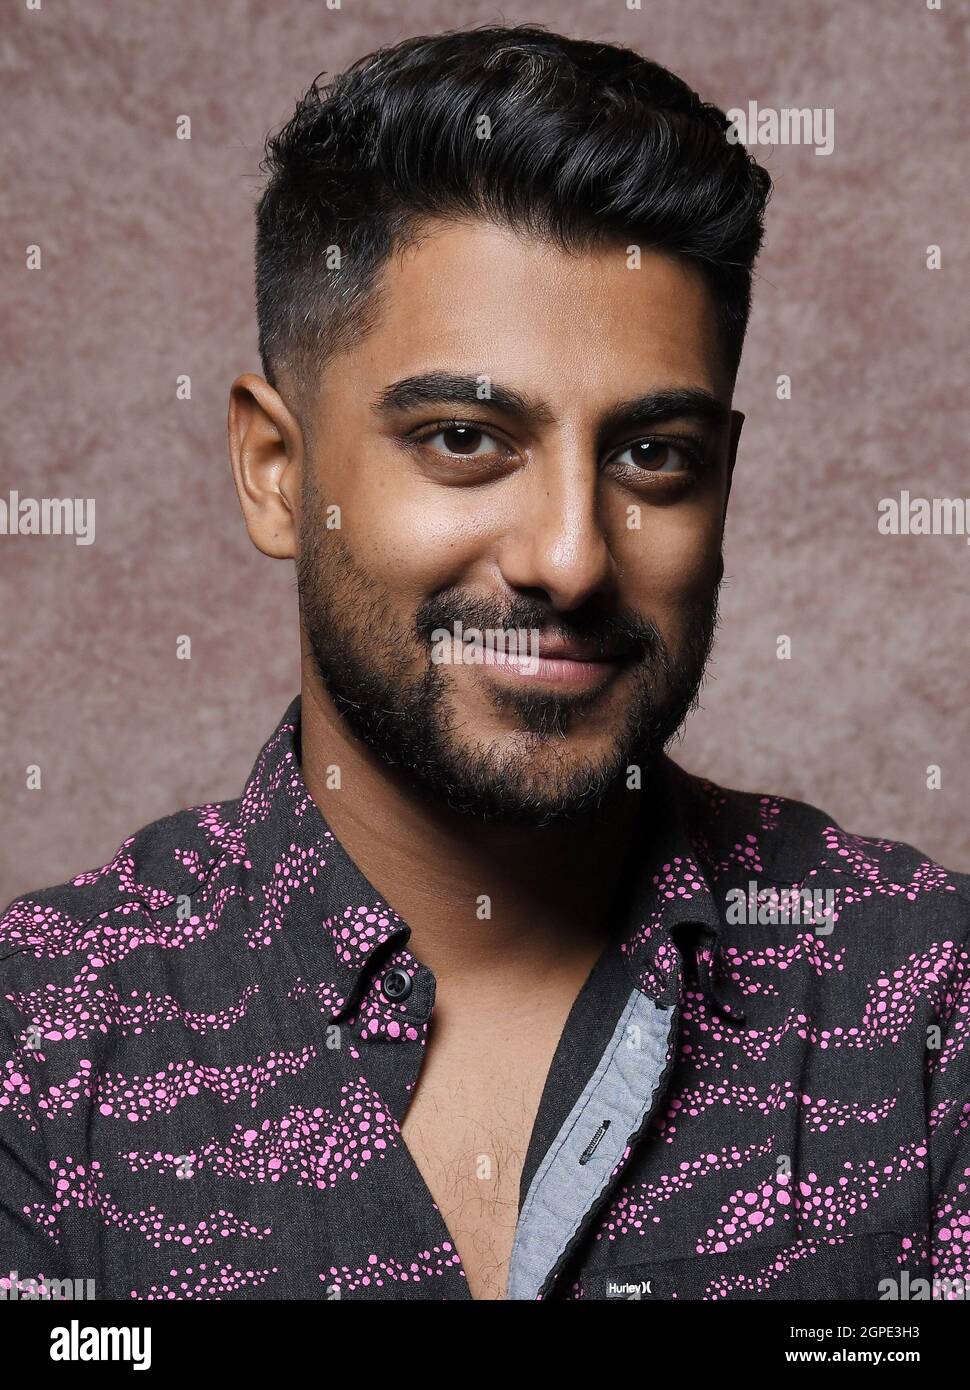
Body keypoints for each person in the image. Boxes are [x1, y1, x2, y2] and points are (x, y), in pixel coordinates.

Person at [1, 23, 966, 1303]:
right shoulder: (41, 1039)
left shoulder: (922, 1007)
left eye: (653, 456)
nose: (570, 558)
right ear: (276, 472)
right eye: (465, 438)